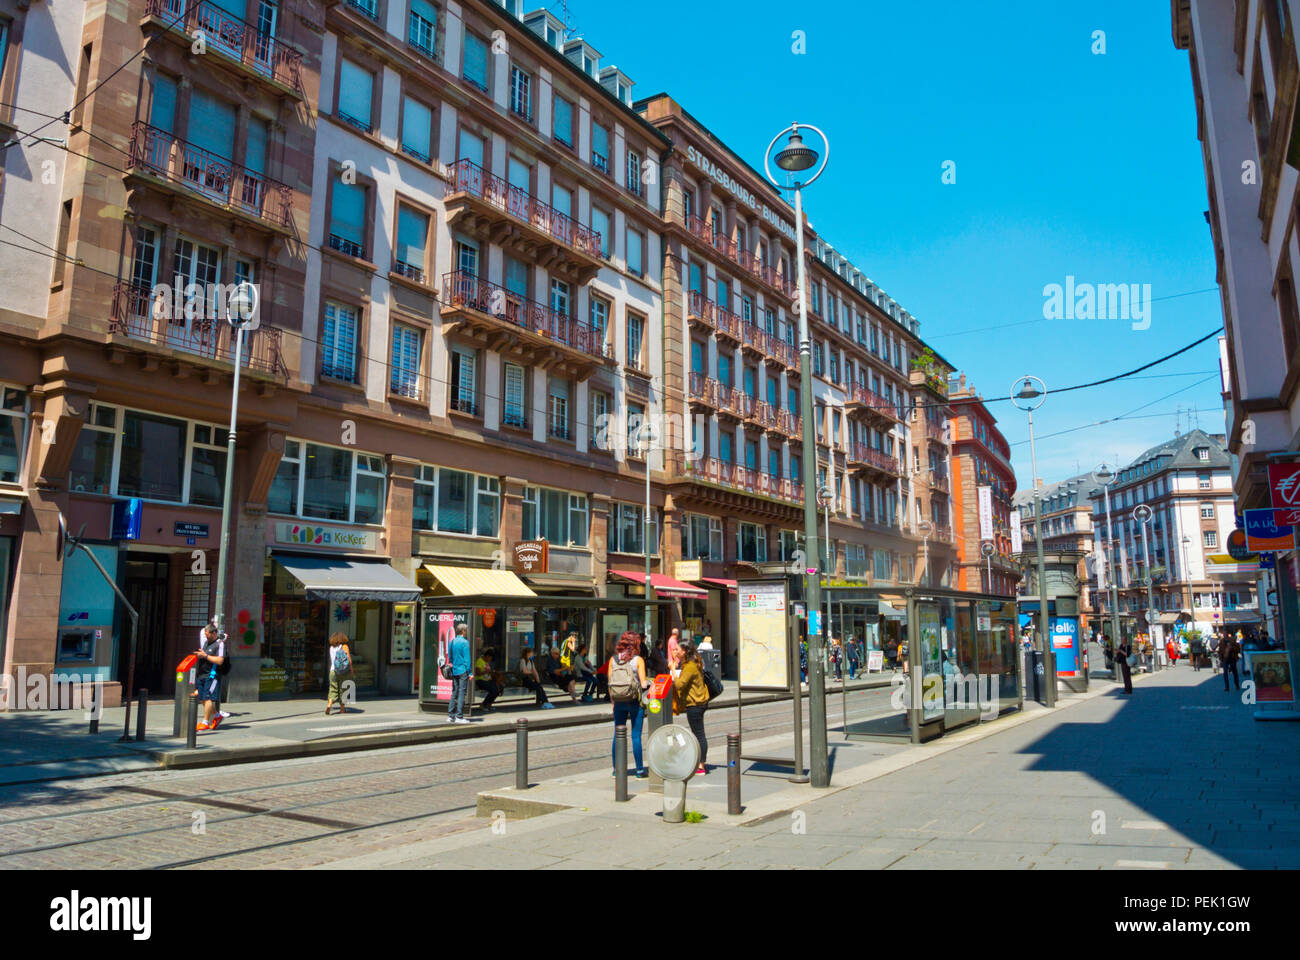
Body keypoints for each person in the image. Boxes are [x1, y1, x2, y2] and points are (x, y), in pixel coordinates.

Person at [608, 631, 649, 778]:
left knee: (618, 735)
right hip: (635, 702)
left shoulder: (613, 660)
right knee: (636, 736)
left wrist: (613, 702)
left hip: (618, 702)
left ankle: (616, 769)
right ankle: (639, 770)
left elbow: (610, 683)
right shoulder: (638, 660)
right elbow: (643, 684)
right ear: (636, 644)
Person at [672, 639, 711, 775]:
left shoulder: (689, 666)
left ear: (684, 651)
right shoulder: (692, 662)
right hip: (699, 702)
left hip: (695, 703)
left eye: (677, 649)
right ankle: (700, 762)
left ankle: (701, 765)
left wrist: (672, 669)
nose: (675, 651)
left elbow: (679, 685)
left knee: (698, 733)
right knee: (698, 733)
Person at [194, 626, 227, 730]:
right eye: (205, 634)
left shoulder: (220, 644)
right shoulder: (206, 643)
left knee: (208, 698)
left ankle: (205, 722)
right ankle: (217, 716)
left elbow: (220, 661)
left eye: (207, 634)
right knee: (202, 698)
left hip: (212, 675)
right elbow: (205, 655)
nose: (206, 636)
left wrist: (205, 656)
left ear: (214, 633)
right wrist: (200, 655)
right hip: (202, 674)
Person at [447, 624, 471, 724]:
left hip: (455, 670)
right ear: (463, 631)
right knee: (462, 693)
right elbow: (467, 659)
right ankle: (459, 716)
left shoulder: (452, 642)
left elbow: (450, 657)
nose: (467, 632)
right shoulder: (465, 642)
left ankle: (451, 716)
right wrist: (470, 672)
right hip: (462, 671)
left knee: (454, 692)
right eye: (466, 630)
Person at [324, 631, 352, 717]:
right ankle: (342, 709)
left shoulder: (331, 648)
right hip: (343, 671)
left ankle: (329, 704)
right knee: (343, 689)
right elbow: (349, 659)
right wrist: (351, 669)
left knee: (332, 688)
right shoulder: (344, 646)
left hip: (333, 671)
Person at [474, 648, 502, 713]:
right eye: (490, 658)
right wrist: (486, 671)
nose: (490, 660)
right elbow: (478, 673)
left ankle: (489, 704)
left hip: (488, 680)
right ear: (487, 656)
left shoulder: (486, 662)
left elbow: (489, 672)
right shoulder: (479, 661)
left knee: (499, 688)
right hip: (480, 680)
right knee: (493, 690)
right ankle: (483, 704)